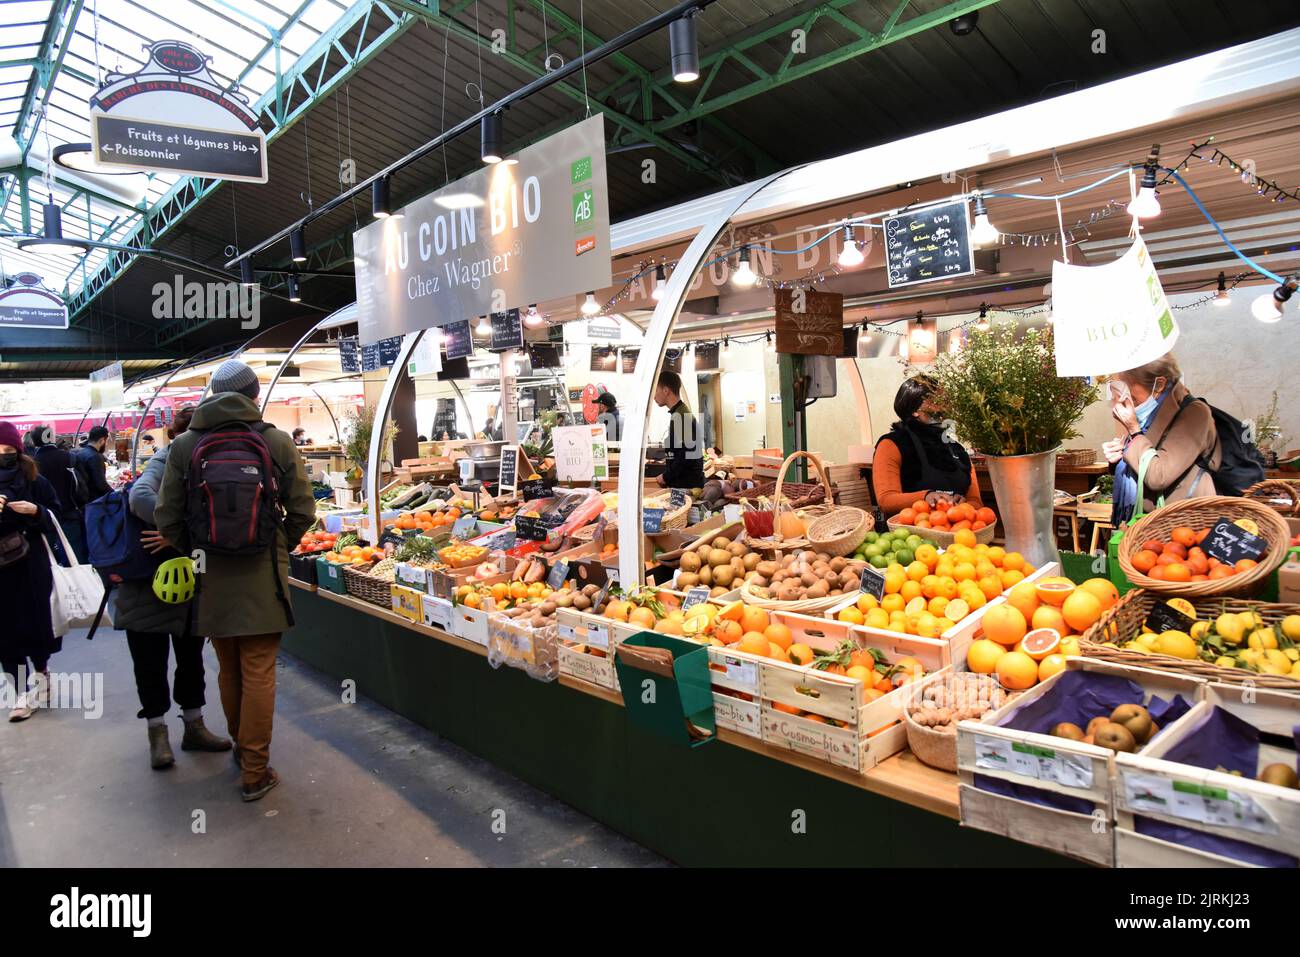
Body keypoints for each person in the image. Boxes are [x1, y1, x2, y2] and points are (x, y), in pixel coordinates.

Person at [155, 360, 316, 801]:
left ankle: (244, 753)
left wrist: (197, 549)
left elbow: (166, 517)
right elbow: (304, 509)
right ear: (254, 394)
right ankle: (254, 769)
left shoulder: (186, 445)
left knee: (229, 667)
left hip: (210, 578)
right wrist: (276, 543)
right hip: (262, 575)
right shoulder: (276, 440)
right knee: (260, 670)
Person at [118, 405, 231, 769]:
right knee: (150, 662)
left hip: (188, 579)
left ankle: (194, 727)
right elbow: (139, 498)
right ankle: (157, 735)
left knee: (191, 659)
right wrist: (179, 529)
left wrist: (183, 534)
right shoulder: (165, 460)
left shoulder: (209, 462)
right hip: (148, 583)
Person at [1103, 355, 1219, 523]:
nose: (1125, 400)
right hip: (1151, 522)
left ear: (1159, 385)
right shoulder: (1150, 416)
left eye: (1132, 396)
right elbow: (1143, 457)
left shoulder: (1195, 413)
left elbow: (1159, 476)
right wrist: (1119, 458)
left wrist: (1134, 431)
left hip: (1184, 523)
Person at [0, 421, 62, 722]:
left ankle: (41, 671)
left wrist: (35, 511)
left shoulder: (34, 478)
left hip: (30, 563)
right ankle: (21, 695)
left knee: (36, 624)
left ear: (19, 451)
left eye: (8, 451)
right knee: (4, 633)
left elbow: (55, 513)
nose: (3, 455)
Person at [873, 376, 982, 515]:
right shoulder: (891, 445)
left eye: (946, 400)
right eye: (936, 401)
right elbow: (886, 501)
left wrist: (965, 505)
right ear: (914, 409)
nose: (944, 407)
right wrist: (926, 497)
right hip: (912, 533)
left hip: (959, 531)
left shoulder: (957, 449)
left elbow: (976, 502)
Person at [30, 425, 87, 562]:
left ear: (34, 441)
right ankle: (78, 584)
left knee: (49, 560)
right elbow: (82, 485)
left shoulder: (31, 463)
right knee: (75, 559)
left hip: (45, 517)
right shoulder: (70, 457)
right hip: (70, 513)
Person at [653, 369, 704, 489]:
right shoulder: (679, 412)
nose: (653, 396)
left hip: (686, 484)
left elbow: (686, 455)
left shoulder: (681, 415)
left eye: (656, 390)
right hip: (685, 481)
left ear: (666, 390)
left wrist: (666, 477)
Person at [73, 425, 112, 502]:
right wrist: (115, 495)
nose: (106, 444)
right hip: (94, 501)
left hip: (81, 499)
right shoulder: (95, 457)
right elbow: (101, 485)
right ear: (101, 440)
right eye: (106, 441)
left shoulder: (80, 453)